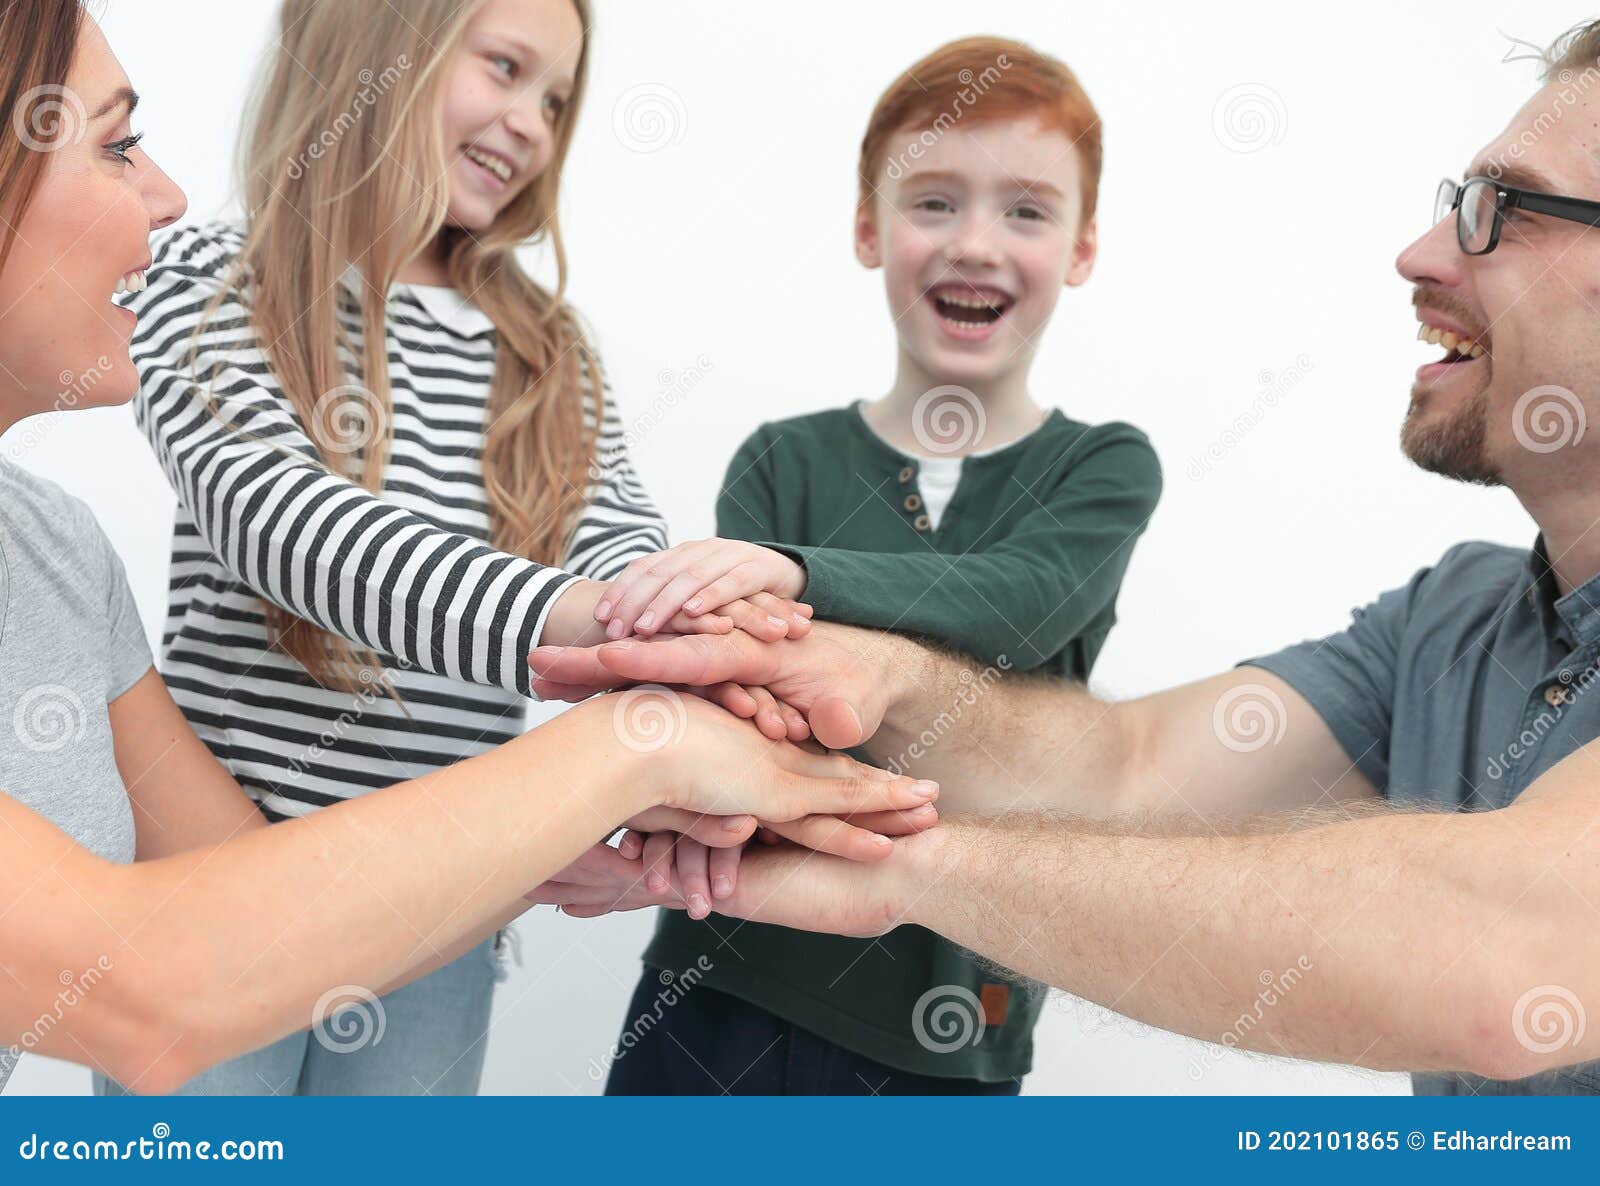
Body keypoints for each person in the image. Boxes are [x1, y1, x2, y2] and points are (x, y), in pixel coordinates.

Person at [530, 18, 1600, 1095]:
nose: (1417, 255)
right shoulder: (1444, 626)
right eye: (935, 200)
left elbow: (1508, 945)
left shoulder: (1101, 465)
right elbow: (1122, 774)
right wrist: (883, 677)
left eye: (1496, 210)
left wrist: (897, 861)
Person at [0, 0, 937, 1097]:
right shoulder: (207, 276)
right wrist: (608, 638)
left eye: (556, 97)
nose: (533, 123)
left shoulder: (546, 350)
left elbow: (620, 537)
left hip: (449, 911)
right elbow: (291, 529)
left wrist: (698, 644)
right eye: (503, 67)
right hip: (226, 876)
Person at [587, 36, 1160, 1096]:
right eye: (933, 202)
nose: (976, 243)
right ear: (869, 229)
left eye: (1026, 210)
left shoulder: (1103, 467)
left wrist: (790, 574)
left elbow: (1019, 607)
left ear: (1080, 248)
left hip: (948, 1020)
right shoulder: (781, 459)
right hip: (720, 985)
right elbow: (743, 700)